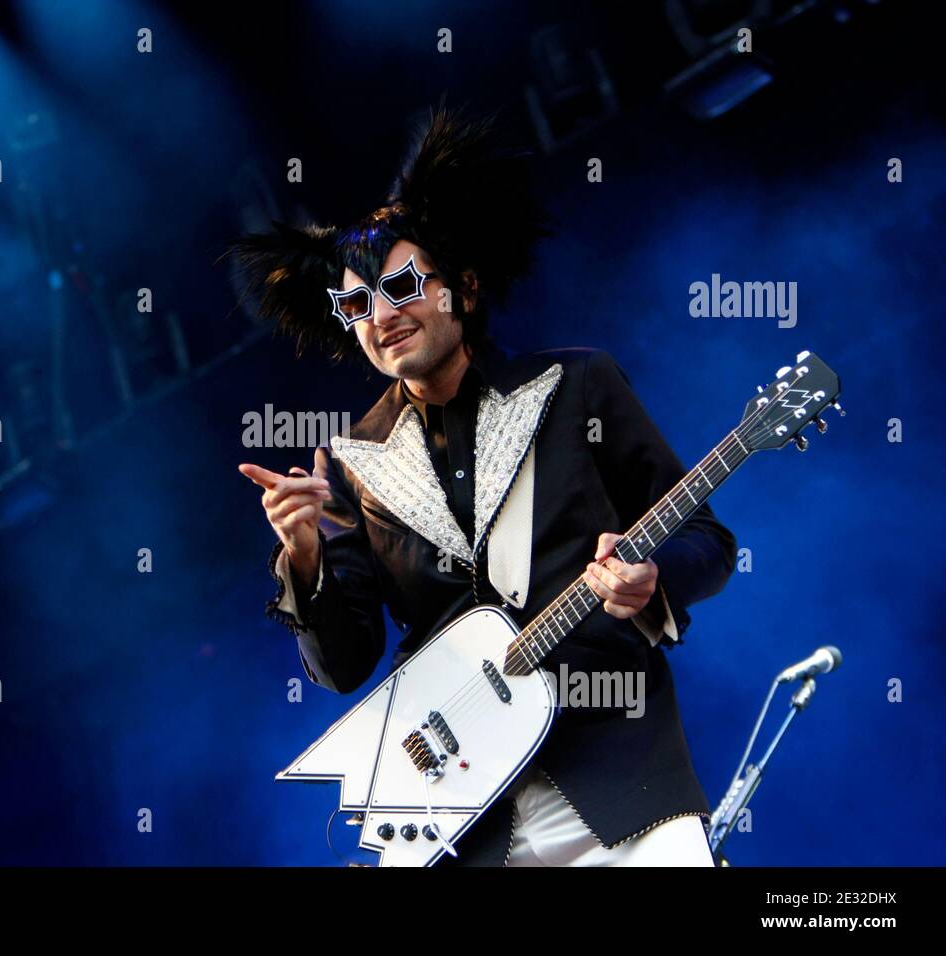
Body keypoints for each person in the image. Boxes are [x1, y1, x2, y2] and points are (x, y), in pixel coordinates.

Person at [231, 106, 736, 866]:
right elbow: (342, 666)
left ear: (462, 288)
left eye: (401, 285)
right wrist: (301, 559)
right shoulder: (350, 461)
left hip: (620, 776)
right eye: (357, 304)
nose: (382, 316)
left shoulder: (579, 385)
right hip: (464, 820)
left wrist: (650, 579)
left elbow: (710, 541)